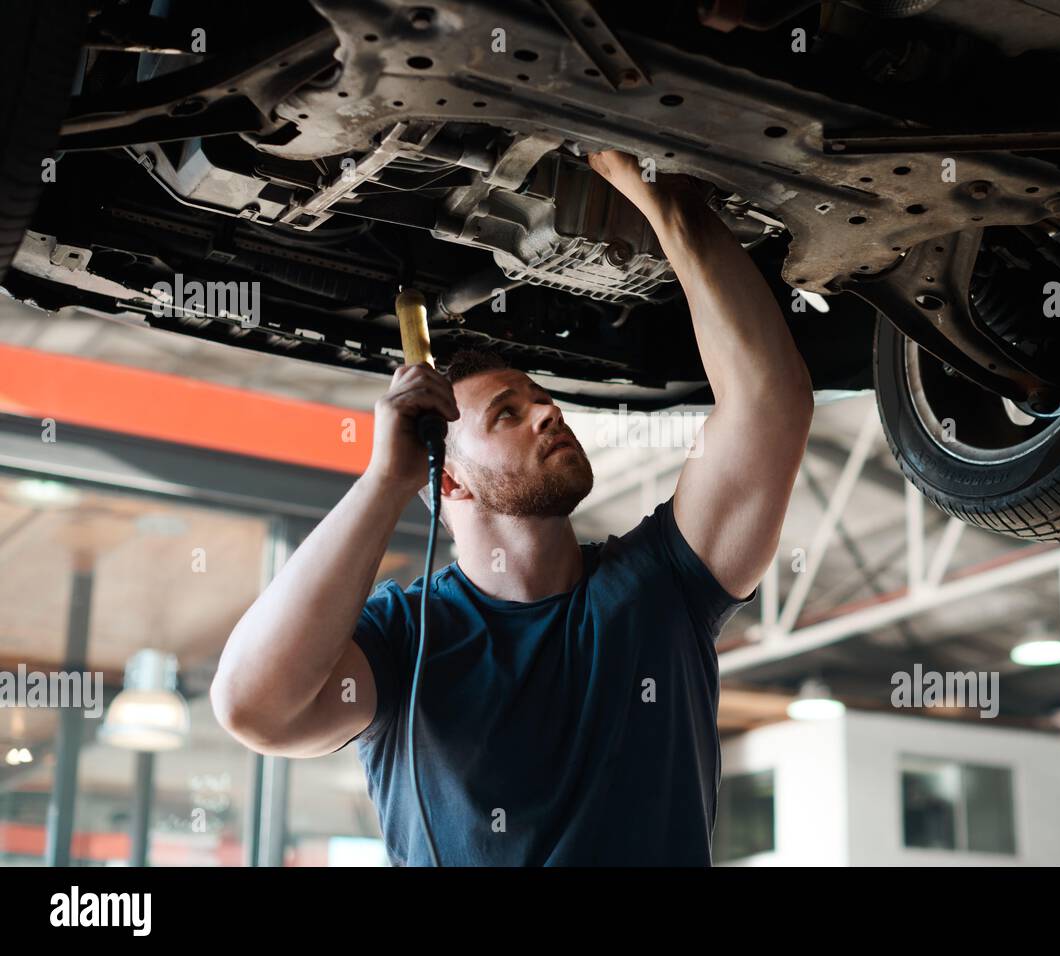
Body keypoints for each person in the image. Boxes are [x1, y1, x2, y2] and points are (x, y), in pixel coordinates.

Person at [211, 149, 814, 865]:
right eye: (507, 414)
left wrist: (674, 208)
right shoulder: (407, 639)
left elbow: (768, 407)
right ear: (451, 481)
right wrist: (384, 479)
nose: (547, 413)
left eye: (542, 399)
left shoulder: (661, 588)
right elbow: (255, 708)